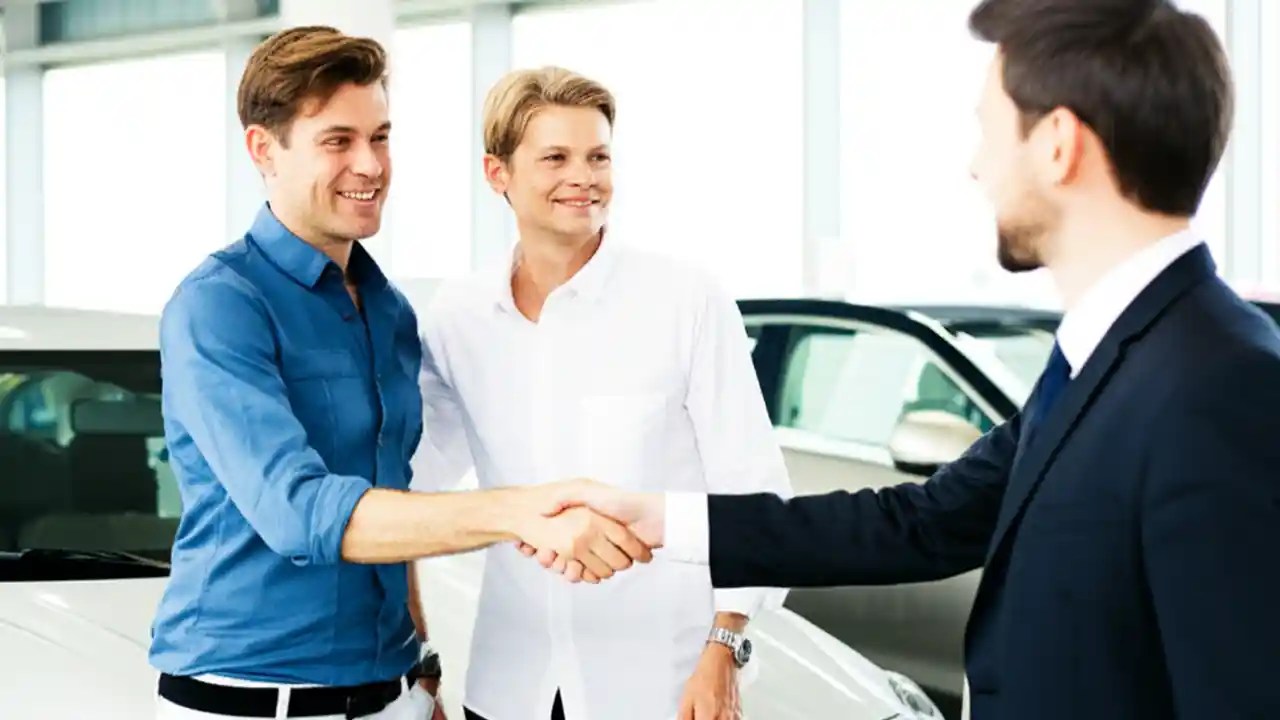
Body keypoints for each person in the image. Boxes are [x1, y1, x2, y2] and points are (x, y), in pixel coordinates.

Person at [529, 1, 1280, 719]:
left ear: (1058, 143)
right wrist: (662, 519)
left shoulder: (1221, 384)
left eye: (990, 132)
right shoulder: (1105, 355)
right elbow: (919, 522)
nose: (977, 167)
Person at [149, 28, 649, 720]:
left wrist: (421, 665)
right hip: (253, 699)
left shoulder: (388, 310)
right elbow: (299, 512)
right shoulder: (219, 305)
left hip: (390, 691)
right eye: (338, 141)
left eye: (380, 137)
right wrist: (518, 509)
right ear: (263, 149)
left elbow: (398, 489)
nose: (371, 164)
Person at [410, 66, 793, 720]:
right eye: (556, 157)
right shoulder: (458, 315)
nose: (584, 176)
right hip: (510, 686)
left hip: (662, 688)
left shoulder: (685, 299)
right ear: (496, 173)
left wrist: (725, 648)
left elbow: (754, 491)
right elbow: (410, 484)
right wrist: (418, 664)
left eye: (598, 156)